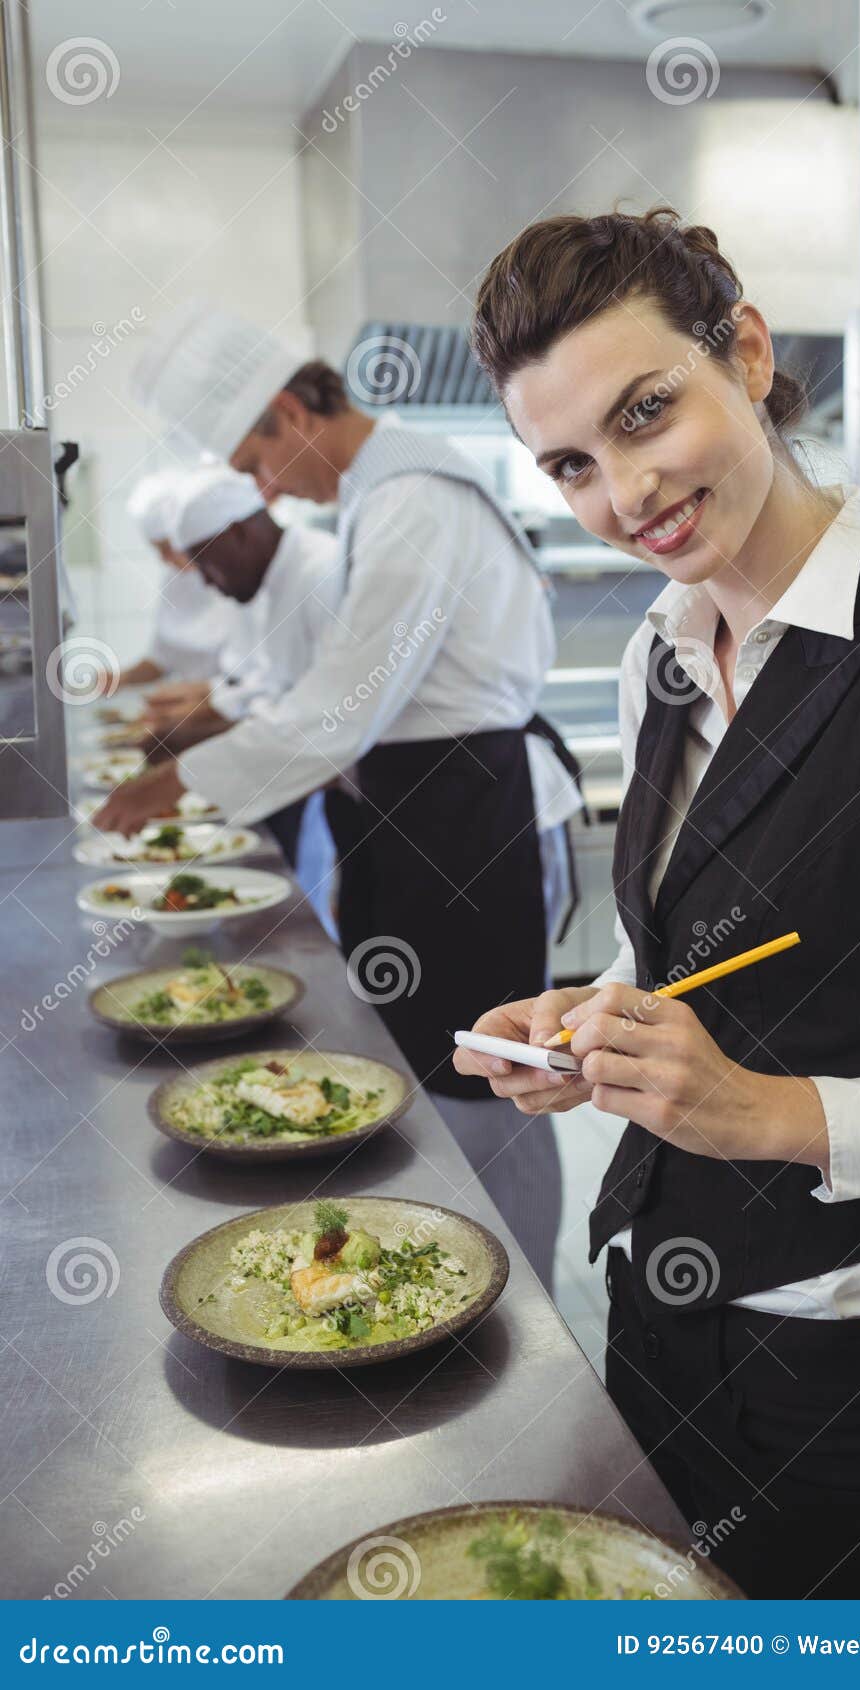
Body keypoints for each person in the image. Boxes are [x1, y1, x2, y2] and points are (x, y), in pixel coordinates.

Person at [454, 207, 860, 1598]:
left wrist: (763, 1111)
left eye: (645, 411)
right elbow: (686, 949)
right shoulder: (661, 656)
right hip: (651, 1316)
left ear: (742, 350)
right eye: (568, 464)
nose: (620, 494)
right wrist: (594, 1017)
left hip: (843, 1367)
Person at [94, 304, 583, 1294]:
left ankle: (525, 1300)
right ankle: (435, 1258)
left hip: (461, 822)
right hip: (409, 813)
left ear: (286, 412)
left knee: (482, 1073)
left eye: (252, 462)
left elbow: (341, 707)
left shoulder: (412, 497)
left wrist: (176, 776)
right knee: (414, 1054)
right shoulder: (374, 492)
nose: (261, 490)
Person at [140, 464, 341, 870]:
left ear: (239, 535)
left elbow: (318, 716)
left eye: (208, 567)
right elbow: (269, 685)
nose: (210, 586)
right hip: (303, 767)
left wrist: (188, 763)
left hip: (371, 785)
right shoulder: (273, 575)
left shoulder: (320, 571)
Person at [111, 470, 235, 689]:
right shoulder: (176, 580)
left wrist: (210, 698)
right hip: (196, 710)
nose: (164, 559)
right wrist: (117, 680)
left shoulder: (239, 578)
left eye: (168, 547)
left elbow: (254, 673)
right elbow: (162, 658)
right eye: (158, 550)